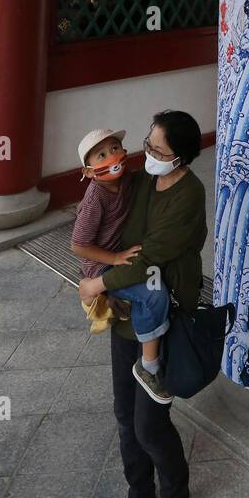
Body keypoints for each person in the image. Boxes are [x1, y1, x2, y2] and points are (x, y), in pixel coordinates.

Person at [79, 110, 207, 498]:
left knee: (150, 425)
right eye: (148, 144)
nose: (146, 154)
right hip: (126, 315)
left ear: (181, 157)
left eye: (158, 149)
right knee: (123, 416)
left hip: (164, 317)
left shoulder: (189, 194)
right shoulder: (141, 183)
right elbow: (113, 236)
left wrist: (99, 282)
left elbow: (150, 253)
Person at [71, 128, 173, 401]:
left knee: (146, 294)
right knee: (154, 295)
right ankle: (148, 366)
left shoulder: (126, 179)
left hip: (122, 257)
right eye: (102, 155)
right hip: (102, 265)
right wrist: (114, 259)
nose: (112, 156)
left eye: (115, 148)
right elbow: (78, 244)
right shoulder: (95, 197)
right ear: (90, 171)